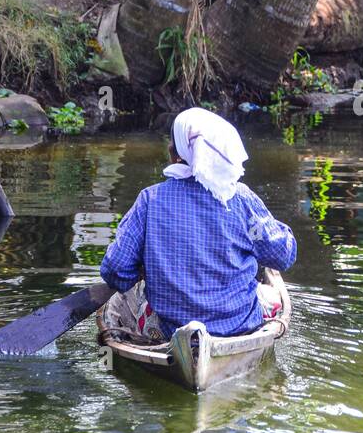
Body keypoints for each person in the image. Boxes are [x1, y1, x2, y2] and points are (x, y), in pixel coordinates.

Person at [100, 107, 296, 341]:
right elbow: (283, 256)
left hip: (170, 332)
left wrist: (144, 272)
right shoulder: (241, 199)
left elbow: (115, 270)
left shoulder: (149, 200)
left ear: (175, 153)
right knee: (271, 296)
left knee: (132, 300)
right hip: (239, 327)